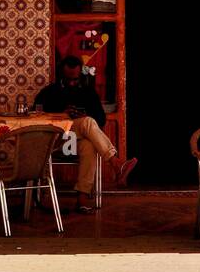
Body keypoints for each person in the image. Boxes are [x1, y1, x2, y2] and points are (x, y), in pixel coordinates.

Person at [34, 56, 136, 213]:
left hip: (76, 142)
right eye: (68, 80)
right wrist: (62, 114)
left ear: (80, 75)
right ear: (62, 75)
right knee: (88, 123)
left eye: (75, 79)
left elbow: (101, 120)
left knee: (89, 144)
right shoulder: (50, 92)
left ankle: (81, 199)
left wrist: (83, 115)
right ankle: (115, 163)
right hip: (56, 142)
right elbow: (37, 115)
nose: (72, 83)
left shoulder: (88, 92)